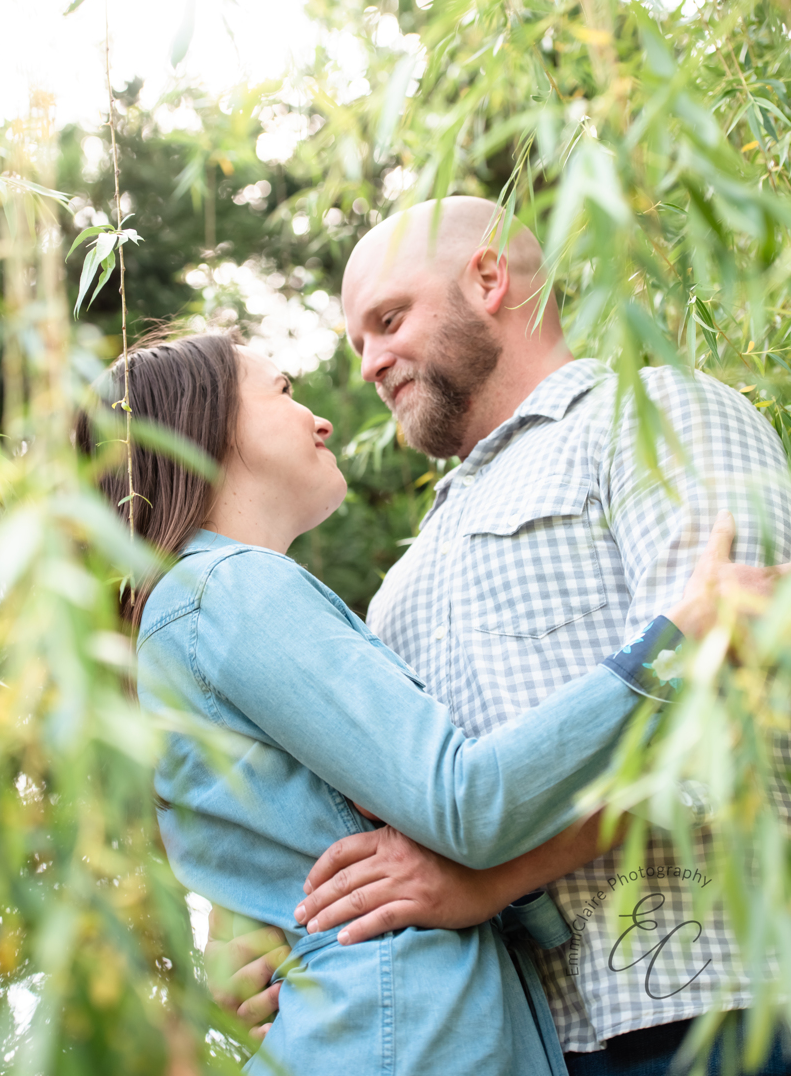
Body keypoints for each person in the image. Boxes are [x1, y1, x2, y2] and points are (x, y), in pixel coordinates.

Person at [78, 329, 773, 1076]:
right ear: (206, 425)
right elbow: (463, 804)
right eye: (282, 391)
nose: (321, 418)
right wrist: (676, 645)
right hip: (405, 1023)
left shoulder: (191, 611)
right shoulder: (227, 589)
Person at [218, 197, 791, 1074]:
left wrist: (480, 883)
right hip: (520, 1041)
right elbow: (395, 824)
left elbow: (730, 725)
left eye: (388, 319)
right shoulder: (399, 589)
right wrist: (291, 940)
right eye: (357, 342)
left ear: (487, 279)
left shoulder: (654, 418)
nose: (369, 363)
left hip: (717, 999)